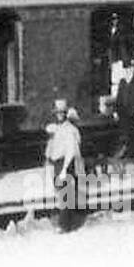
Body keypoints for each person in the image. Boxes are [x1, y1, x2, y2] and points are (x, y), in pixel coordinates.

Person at [44, 99, 84, 232]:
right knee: (61, 194)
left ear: (65, 114)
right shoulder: (59, 128)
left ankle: (65, 225)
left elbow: (71, 150)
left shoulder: (69, 129)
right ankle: (66, 222)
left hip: (65, 163)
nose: (59, 115)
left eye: (62, 113)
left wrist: (64, 169)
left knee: (66, 195)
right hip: (58, 163)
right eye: (57, 113)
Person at [111, 56, 134, 163]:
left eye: (129, 69)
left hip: (133, 113)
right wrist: (116, 111)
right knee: (125, 134)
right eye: (126, 69)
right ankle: (128, 155)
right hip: (123, 112)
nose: (127, 71)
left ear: (133, 70)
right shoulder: (122, 82)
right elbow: (118, 98)